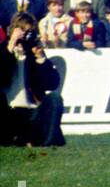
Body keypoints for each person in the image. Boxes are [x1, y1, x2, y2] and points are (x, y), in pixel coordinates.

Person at [0, 13, 65, 147]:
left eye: (29, 32)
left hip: (31, 110)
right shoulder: (3, 49)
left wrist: (41, 59)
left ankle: (47, 142)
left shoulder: (33, 52)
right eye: (22, 30)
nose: (25, 35)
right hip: (8, 111)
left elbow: (52, 84)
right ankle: (13, 138)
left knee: (54, 98)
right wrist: (11, 46)